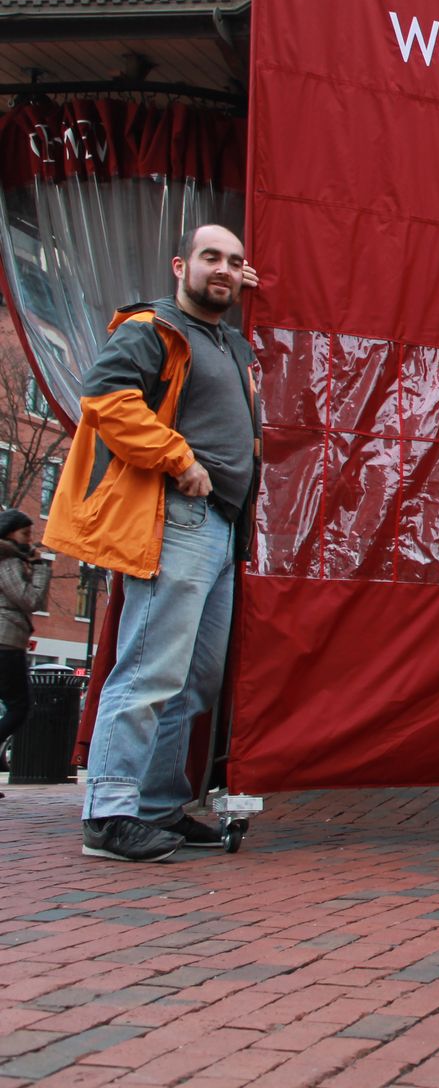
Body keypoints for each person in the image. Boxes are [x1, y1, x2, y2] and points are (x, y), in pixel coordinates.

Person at [44, 224, 260, 862]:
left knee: (196, 680)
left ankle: (157, 809)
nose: (223, 269)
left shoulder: (230, 343)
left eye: (235, 262)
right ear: (178, 265)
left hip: (220, 529)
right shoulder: (153, 329)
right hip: (179, 518)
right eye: (210, 258)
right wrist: (177, 458)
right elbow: (105, 399)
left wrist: (238, 284)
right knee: (148, 669)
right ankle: (109, 817)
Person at [0, 508, 52, 787]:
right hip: (5, 643)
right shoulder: (6, 561)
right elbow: (28, 599)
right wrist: (42, 568)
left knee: (16, 705)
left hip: (8, 641)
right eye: (25, 533)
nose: (29, 539)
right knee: (19, 707)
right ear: (9, 532)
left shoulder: (12, 558)